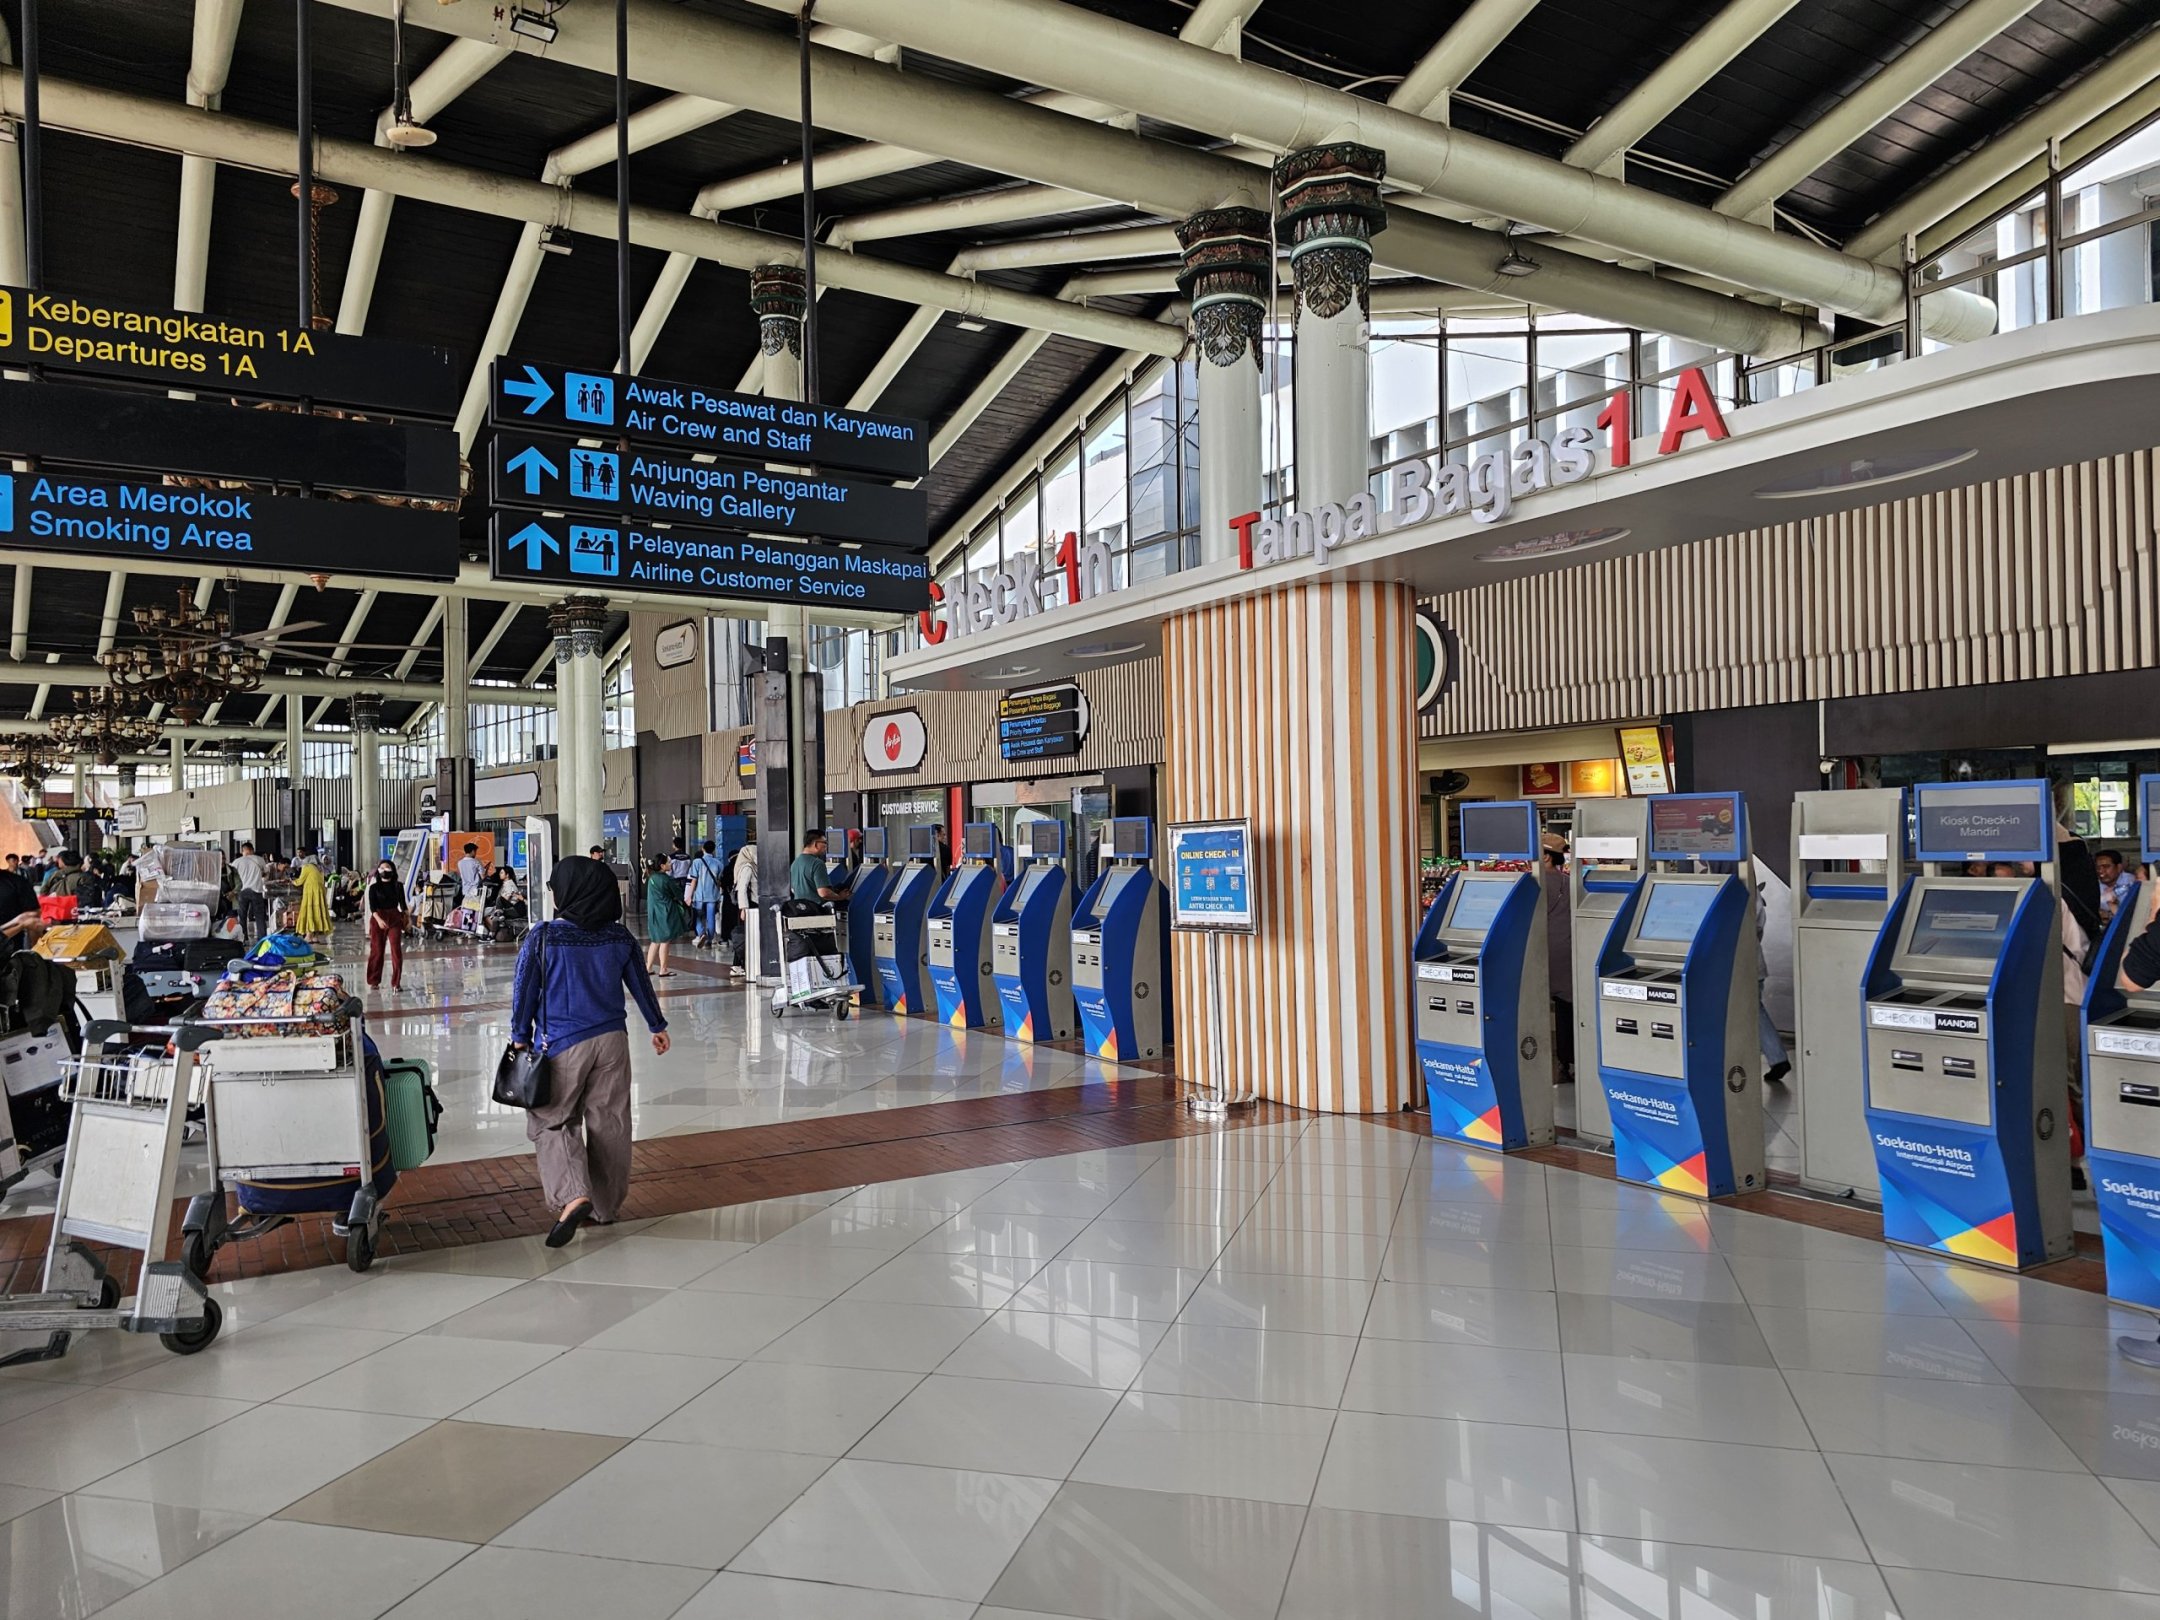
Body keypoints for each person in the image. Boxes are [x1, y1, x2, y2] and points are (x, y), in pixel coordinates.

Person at [508, 856, 670, 1247]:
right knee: (610, 1123)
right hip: (613, 1042)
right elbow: (640, 984)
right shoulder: (619, 937)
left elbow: (525, 989)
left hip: (563, 1044)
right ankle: (605, 1207)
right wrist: (657, 1026)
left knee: (552, 1120)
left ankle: (572, 1194)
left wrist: (519, 1036)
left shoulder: (545, 936)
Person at [1540, 834, 1574, 1083]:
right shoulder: (1570, 883)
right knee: (1566, 1006)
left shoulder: (1535, 884)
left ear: (1545, 856)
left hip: (1540, 951)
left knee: (1533, 1006)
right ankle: (1567, 1058)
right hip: (1566, 951)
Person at [643, 854, 690, 977]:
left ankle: (648, 967)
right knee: (665, 941)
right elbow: (679, 895)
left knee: (655, 941)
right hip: (665, 912)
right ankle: (663, 969)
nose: (671, 864)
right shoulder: (666, 879)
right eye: (668, 863)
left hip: (654, 912)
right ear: (662, 866)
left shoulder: (652, 878)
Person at [365, 860, 408, 992]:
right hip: (378, 917)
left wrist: (408, 919)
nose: (384, 870)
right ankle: (374, 980)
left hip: (394, 917)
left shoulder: (398, 886)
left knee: (396, 950)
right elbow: (373, 907)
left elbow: (403, 904)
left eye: (387, 868)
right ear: (378, 871)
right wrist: (378, 920)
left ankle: (396, 982)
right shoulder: (373, 888)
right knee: (377, 950)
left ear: (392, 870)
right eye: (381, 868)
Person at [790, 829, 848, 905]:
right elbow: (824, 893)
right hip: (816, 910)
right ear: (816, 844)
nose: (826, 847)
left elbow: (793, 889)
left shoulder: (796, 862)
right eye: (824, 843)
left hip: (800, 909)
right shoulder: (817, 863)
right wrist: (840, 897)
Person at [688, 839, 727, 945]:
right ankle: (709, 939)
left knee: (698, 917)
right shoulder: (719, 863)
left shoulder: (697, 862)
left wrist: (689, 896)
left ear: (703, 849)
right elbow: (719, 881)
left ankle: (701, 933)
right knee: (711, 918)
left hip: (699, 895)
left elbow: (694, 880)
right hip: (713, 896)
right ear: (713, 850)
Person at [729, 839, 757, 980]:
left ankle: (740, 965)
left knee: (747, 936)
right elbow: (742, 889)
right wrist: (744, 908)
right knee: (745, 937)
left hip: (750, 905)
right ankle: (737, 965)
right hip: (749, 906)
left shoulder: (752, 866)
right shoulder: (747, 867)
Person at [231, 840, 270, 943]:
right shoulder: (259, 859)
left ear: (243, 850)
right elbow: (266, 873)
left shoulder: (236, 862)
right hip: (256, 890)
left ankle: (243, 938)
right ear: (252, 850)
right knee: (259, 916)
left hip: (241, 892)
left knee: (242, 916)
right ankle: (262, 939)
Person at [295, 852, 333, 940]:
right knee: (317, 912)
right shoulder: (319, 868)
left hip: (310, 892)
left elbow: (300, 881)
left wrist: (292, 881)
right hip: (320, 893)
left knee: (309, 912)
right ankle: (315, 936)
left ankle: (309, 935)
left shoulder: (307, 867)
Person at [2098, 849, 2135, 920]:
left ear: (2119, 867)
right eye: (2098, 867)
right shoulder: (2095, 885)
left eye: (2106, 866)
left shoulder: (2130, 882)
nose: (2100, 871)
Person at [457, 842, 488, 907]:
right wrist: (485, 871)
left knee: (467, 910)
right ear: (473, 851)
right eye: (475, 851)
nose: (475, 854)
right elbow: (483, 877)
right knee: (476, 911)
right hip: (475, 891)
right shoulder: (476, 862)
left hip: (465, 891)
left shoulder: (460, 863)